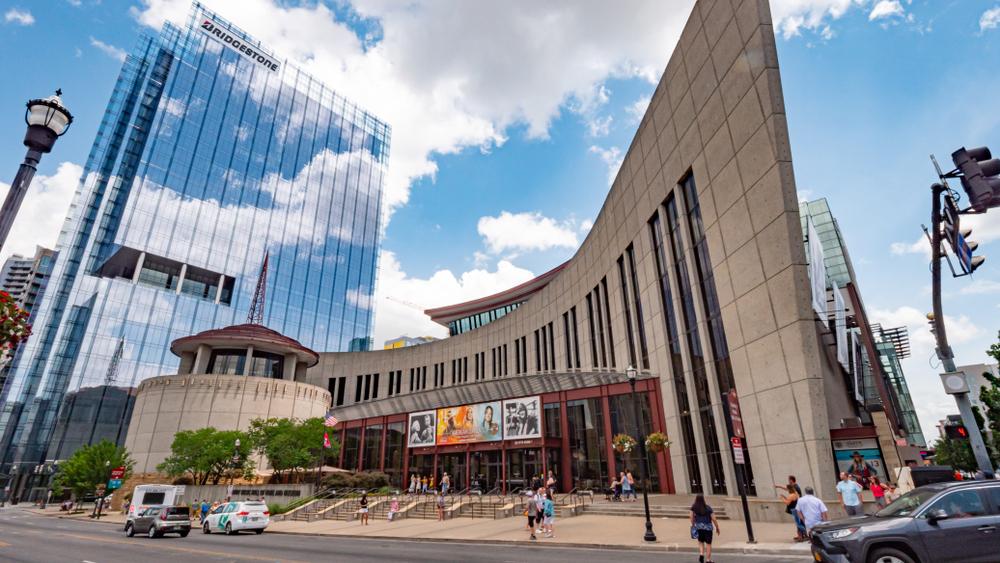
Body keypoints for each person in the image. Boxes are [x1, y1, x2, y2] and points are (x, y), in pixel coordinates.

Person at [690, 495, 720, 563]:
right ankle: (708, 560)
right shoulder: (708, 508)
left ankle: (701, 554)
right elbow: (714, 519)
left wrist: (693, 525)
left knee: (700, 542)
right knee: (708, 544)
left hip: (699, 527)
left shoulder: (694, 507)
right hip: (708, 528)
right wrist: (717, 527)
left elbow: (691, 517)